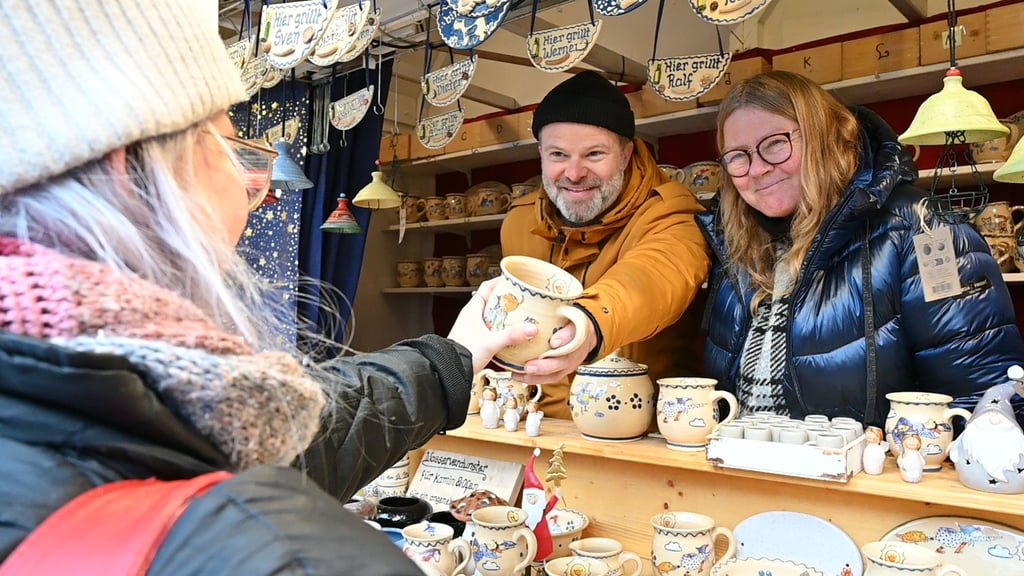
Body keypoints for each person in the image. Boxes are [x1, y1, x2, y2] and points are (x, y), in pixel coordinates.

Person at [0, 2, 536, 574]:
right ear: (131, 175)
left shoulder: (73, 396)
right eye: (232, 151)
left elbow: (279, 448)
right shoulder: (278, 552)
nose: (249, 194)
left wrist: (450, 360)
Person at [697, 70, 1024, 427]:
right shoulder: (734, 244)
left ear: (824, 136)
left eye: (775, 143)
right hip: (739, 472)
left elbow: (987, 407)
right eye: (738, 155)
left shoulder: (924, 230)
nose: (757, 168)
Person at [502, 71, 711, 419]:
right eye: (557, 154)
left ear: (627, 154)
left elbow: (655, 276)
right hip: (537, 427)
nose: (573, 172)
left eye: (594, 154)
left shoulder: (673, 213)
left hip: (637, 437)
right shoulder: (519, 222)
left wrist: (589, 324)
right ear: (540, 154)